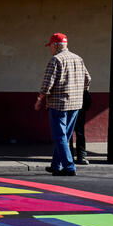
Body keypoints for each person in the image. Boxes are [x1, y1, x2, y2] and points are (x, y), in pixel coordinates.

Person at [35, 32, 90, 176]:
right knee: (64, 136)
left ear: (55, 45)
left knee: (59, 136)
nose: (50, 49)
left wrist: (39, 99)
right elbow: (88, 79)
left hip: (59, 104)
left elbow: (47, 84)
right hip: (76, 104)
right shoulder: (78, 59)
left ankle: (69, 167)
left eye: (50, 46)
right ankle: (56, 165)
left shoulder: (56, 60)